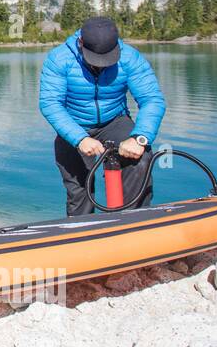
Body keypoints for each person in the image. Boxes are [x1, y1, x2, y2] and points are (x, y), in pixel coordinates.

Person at [38, 16, 166, 216]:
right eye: (96, 59)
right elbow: (50, 103)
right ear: (81, 43)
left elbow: (152, 99)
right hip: (74, 125)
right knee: (79, 191)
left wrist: (139, 138)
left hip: (114, 121)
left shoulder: (130, 57)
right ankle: (82, 236)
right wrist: (79, 138)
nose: (102, 65)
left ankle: (134, 223)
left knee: (140, 160)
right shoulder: (59, 59)